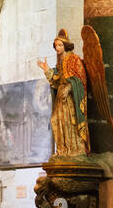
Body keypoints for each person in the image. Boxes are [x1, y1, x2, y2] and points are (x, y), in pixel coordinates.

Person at [38, 29, 89, 157]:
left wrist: (70, 86)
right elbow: (56, 81)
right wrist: (47, 70)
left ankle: (74, 150)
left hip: (71, 99)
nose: (57, 48)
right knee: (56, 121)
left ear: (65, 46)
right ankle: (62, 150)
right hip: (61, 98)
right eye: (55, 46)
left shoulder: (74, 59)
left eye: (60, 45)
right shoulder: (60, 63)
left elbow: (81, 78)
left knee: (69, 123)